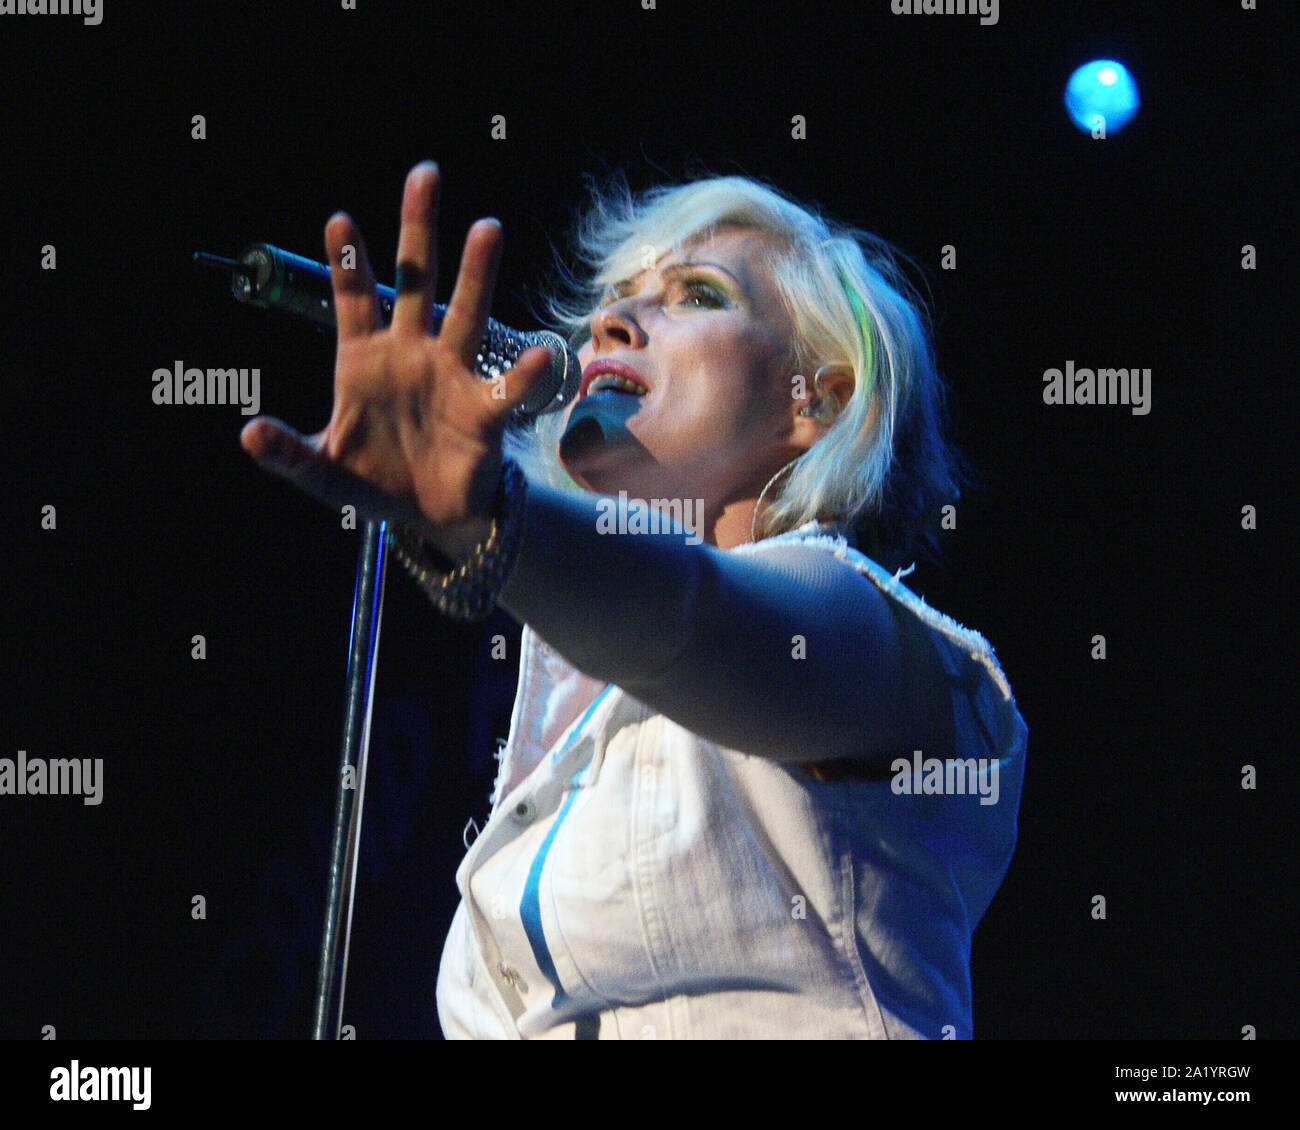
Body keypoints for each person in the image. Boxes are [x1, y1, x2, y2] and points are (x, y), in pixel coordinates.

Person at [241, 160, 1029, 1039]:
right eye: (617, 296)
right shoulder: (571, 730)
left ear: (815, 402)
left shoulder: (875, 639)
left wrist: (482, 524)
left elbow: (690, 620)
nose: (610, 321)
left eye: (695, 295)